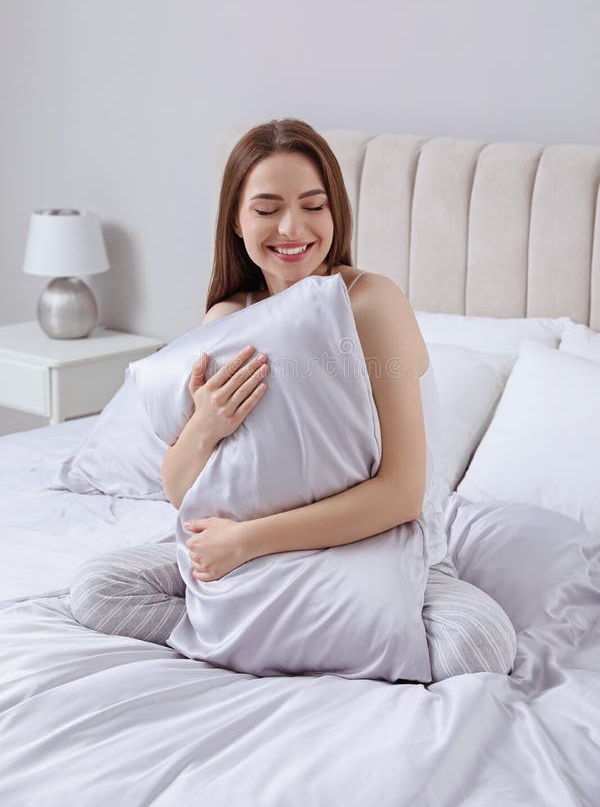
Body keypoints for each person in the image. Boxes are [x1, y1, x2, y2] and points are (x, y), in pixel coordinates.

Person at [70, 117, 517, 683]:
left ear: (336, 214)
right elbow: (183, 491)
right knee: (97, 590)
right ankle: (295, 633)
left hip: (376, 547)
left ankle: (262, 633)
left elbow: (402, 494)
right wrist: (205, 426)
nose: (292, 227)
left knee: (476, 647)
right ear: (235, 220)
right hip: (251, 562)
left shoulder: (372, 304)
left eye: (313, 205)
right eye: (266, 209)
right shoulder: (229, 319)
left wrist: (245, 541)